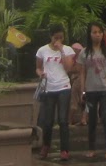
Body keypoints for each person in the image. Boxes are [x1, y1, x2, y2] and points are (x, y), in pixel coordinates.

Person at [79, 21, 106, 161]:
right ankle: (91, 148)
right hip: (91, 90)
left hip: (105, 88)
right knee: (92, 120)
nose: (97, 35)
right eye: (94, 32)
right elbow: (82, 72)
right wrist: (82, 90)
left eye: (99, 32)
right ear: (89, 34)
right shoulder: (84, 52)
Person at [36, 25, 77, 162]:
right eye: (55, 37)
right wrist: (40, 74)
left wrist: (61, 51)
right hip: (49, 88)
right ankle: (46, 146)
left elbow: (68, 68)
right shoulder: (42, 50)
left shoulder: (68, 49)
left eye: (61, 37)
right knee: (48, 121)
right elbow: (38, 67)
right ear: (51, 37)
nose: (58, 40)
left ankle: (64, 150)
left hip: (63, 86)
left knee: (63, 120)